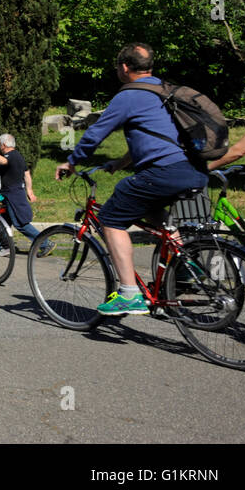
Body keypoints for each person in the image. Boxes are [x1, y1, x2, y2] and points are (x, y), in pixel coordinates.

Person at [55, 42, 210, 316]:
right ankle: (186, 268)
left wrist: (71, 161)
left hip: (163, 172)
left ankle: (128, 293)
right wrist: (121, 162)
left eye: (117, 66)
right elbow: (156, 136)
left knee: (111, 219)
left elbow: (95, 135)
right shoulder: (164, 91)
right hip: (193, 169)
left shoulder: (129, 95)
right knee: (151, 210)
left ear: (125, 67)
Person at [0, 134, 43, 254]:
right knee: (4, 221)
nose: (0, 147)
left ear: (4, 145)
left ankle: (45, 243)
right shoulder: (18, 156)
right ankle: (2, 244)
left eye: (0, 145)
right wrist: (29, 191)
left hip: (12, 195)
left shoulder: (10, 156)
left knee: (20, 223)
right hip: (13, 194)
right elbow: (27, 174)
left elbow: (3, 161)